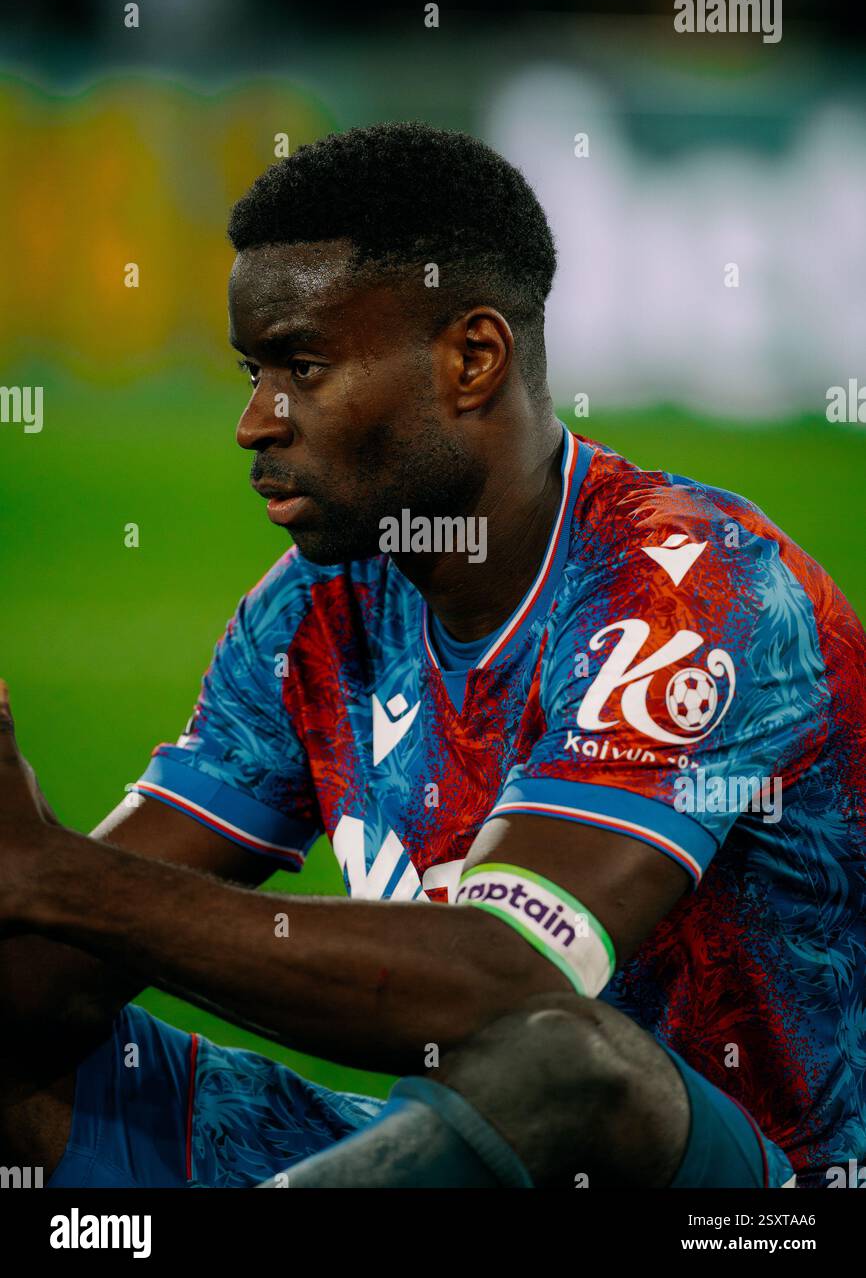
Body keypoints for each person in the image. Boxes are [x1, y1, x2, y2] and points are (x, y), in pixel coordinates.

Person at [1, 122, 863, 1189]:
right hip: (455, 1153)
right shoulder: (317, 611)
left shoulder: (689, 588)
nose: (252, 423)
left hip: (739, 1191)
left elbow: (507, 987)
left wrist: (56, 874)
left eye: (301, 366)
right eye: (251, 370)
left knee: (563, 1057)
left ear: (471, 358)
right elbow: (51, 974)